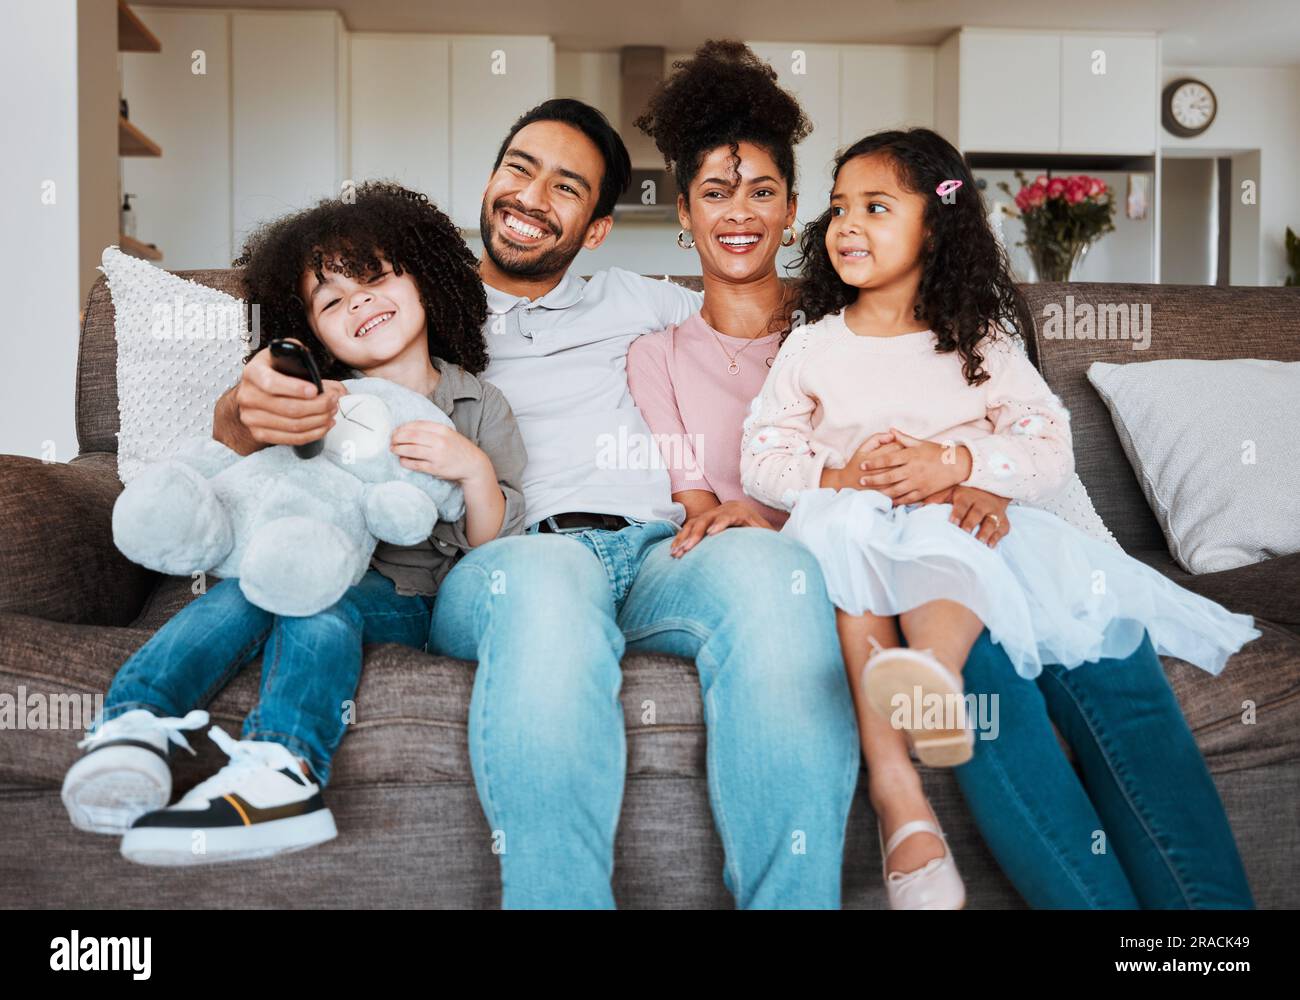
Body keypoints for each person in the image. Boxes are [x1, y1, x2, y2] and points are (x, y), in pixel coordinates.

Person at [627, 44, 1256, 910]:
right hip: (883, 554)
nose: (742, 214)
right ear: (684, 216)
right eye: (713, 194)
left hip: (1009, 534)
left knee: (1119, 672)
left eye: (764, 192)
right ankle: (920, 795)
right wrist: (837, 482)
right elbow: (756, 478)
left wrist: (972, 470)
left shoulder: (955, 324)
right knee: (992, 693)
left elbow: (1037, 438)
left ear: (790, 209)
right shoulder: (781, 344)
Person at [212, 99, 861, 909]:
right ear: (490, 182)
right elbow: (279, 396)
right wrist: (244, 407)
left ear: (594, 230)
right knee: (551, 585)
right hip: (511, 559)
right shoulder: (411, 306)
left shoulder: (638, 301)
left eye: (566, 187)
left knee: (775, 574)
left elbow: (778, 324)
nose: (530, 196)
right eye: (519, 169)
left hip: (663, 552)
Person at [65, 182, 526, 866]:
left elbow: (495, 551)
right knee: (245, 588)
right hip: (292, 559)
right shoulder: (316, 404)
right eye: (332, 300)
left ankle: (284, 768)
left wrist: (473, 470)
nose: (360, 302)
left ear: (425, 279)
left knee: (319, 602)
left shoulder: (478, 403)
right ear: (312, 330)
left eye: (374, 279)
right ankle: (131, 726)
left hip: (407, 596)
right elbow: (259, 484)